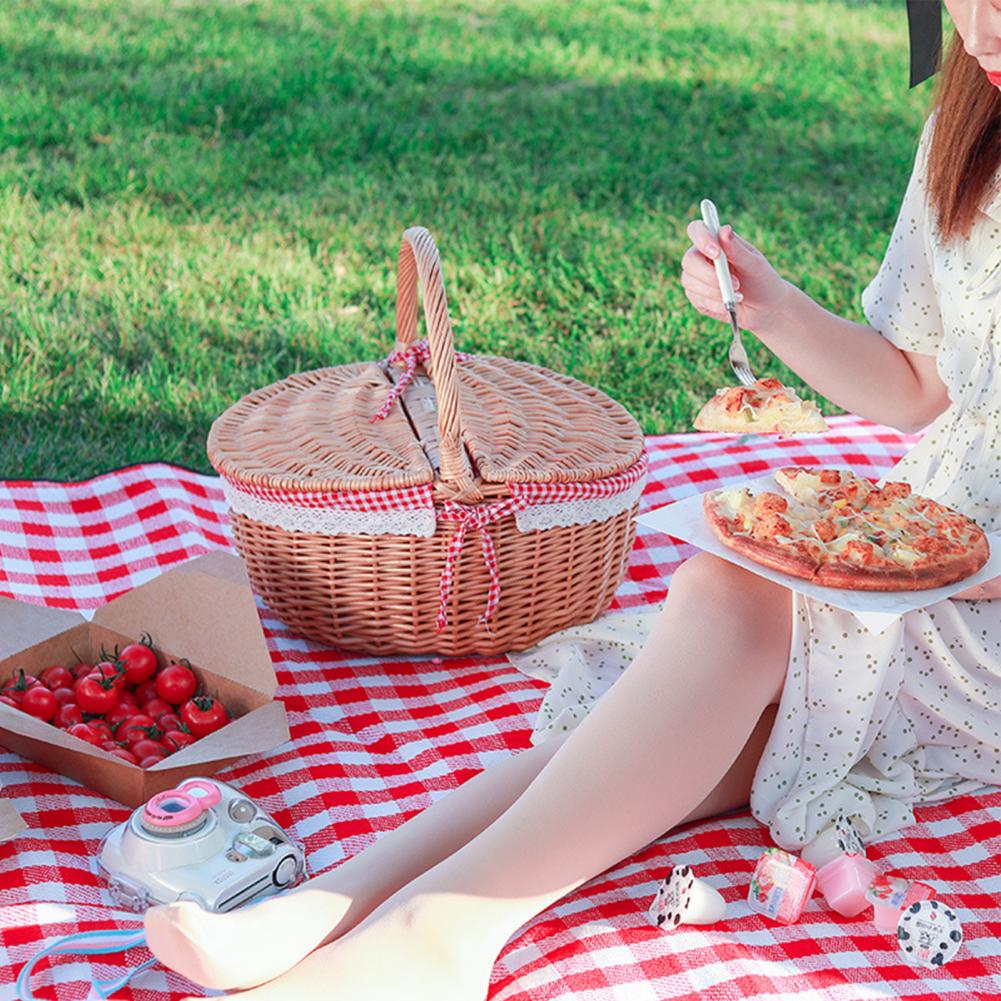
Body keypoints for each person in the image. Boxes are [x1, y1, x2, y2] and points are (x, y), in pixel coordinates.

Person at [144, 4, 1001, 998]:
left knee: (734, 609)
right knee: (672, 722)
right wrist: (771, 311)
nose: (973, 23)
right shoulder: (969, 113)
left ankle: (438, 934)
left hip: (973, 610)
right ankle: (342, 898)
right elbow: (916, 385)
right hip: (924, 549)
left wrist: (951, 565)